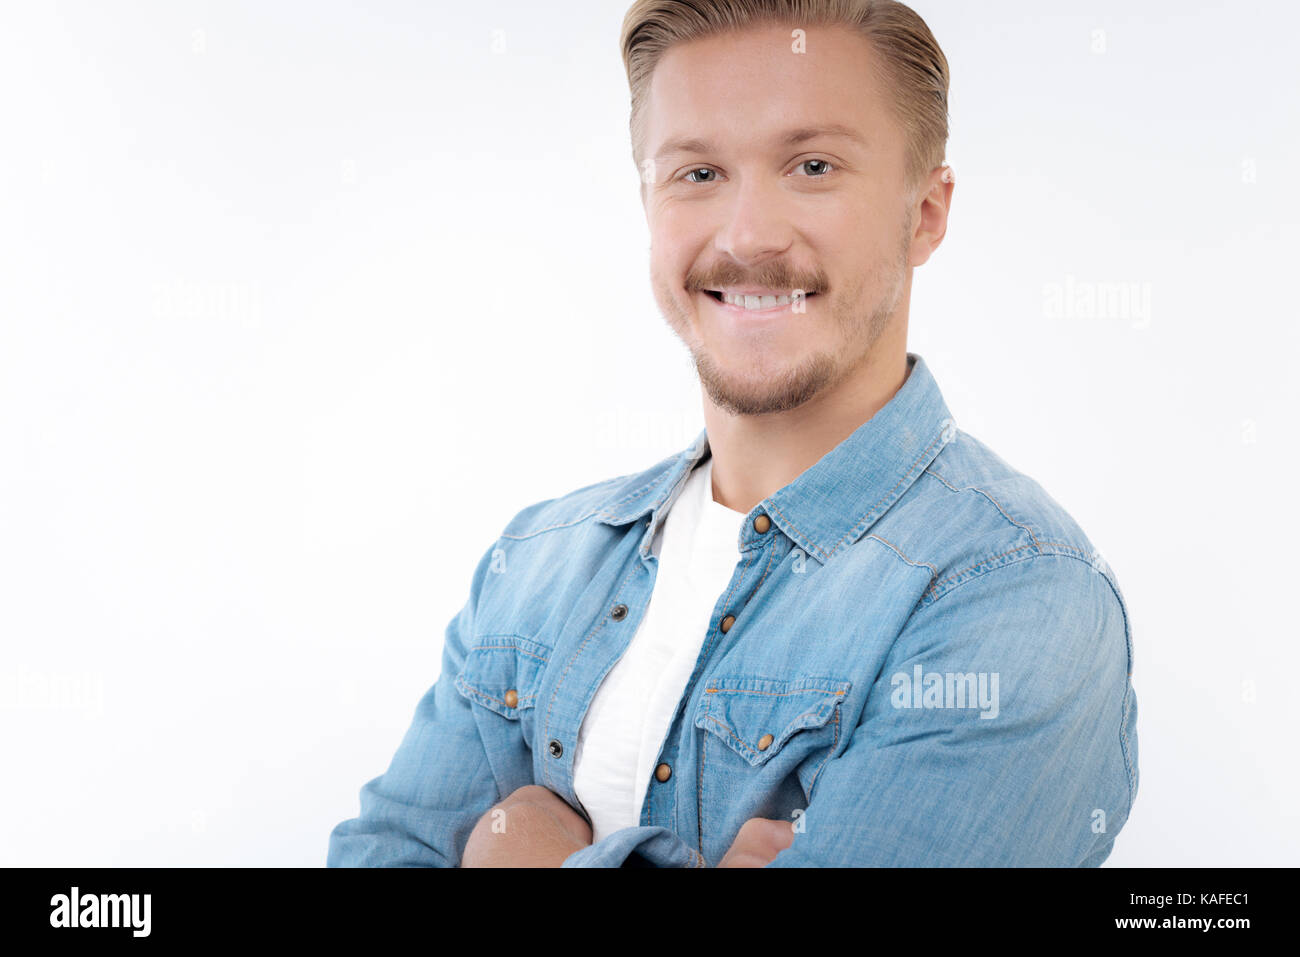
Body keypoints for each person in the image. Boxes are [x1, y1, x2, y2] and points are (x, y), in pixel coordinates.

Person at [327, 0, 1139, 868]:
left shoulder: (1018, 595)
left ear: (926, 213)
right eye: (699, 173)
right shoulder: (535, 561)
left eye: (813, 165)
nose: (748, 236)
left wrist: (516, 849)